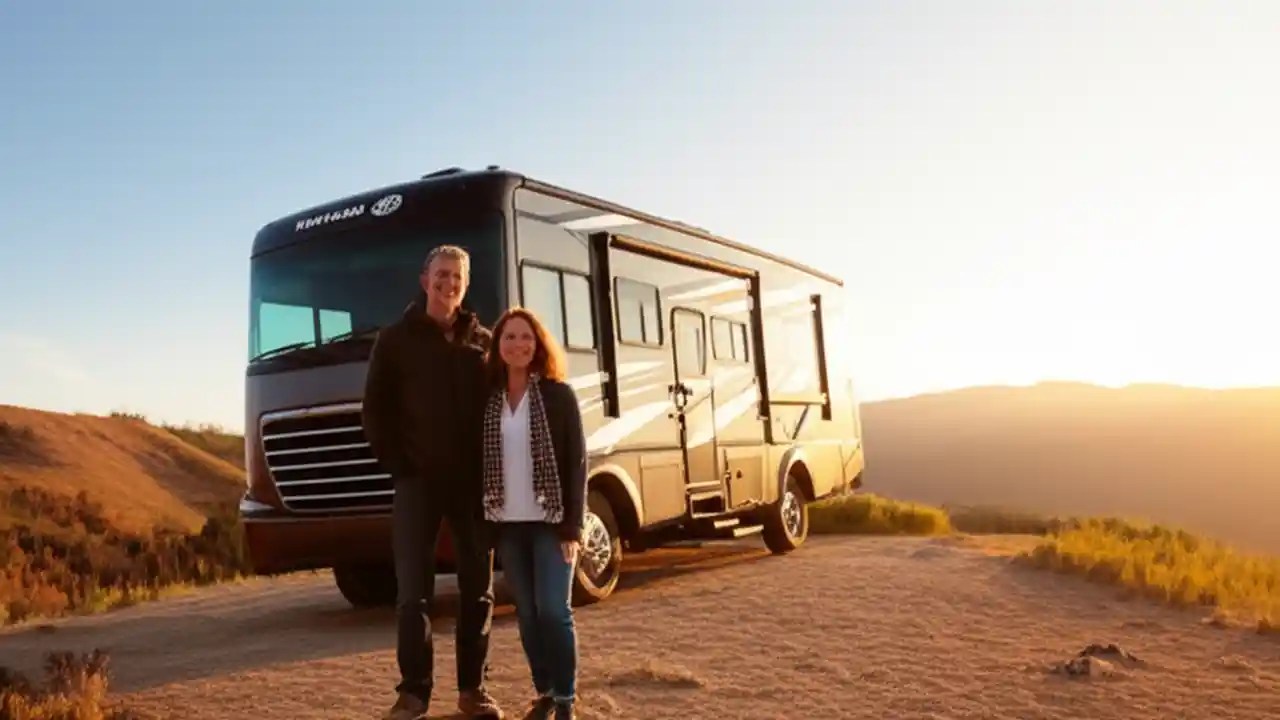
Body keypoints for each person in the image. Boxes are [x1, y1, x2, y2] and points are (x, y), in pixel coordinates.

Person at [362, 245, 505, 720]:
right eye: (441, 275)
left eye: (457, 277)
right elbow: (375, 413)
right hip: (417, 483)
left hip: (473, 487)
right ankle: (414, 694)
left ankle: (473, 692)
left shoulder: (483, 343)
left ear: (466, 284)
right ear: (425, 279)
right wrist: (401, 465)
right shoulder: (395, 340)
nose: (449, 283)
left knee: (477, 590)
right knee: (412, 594)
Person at [480, 307, 587, 720]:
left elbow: (576, 462)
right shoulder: (489, 400)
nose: (518, 344)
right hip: (508, 524)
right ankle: (543, 691)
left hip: (550, 522)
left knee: (554, 610)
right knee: (526, 614)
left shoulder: (559, 396)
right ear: (498, 346)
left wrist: (572, 526)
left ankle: (565, 699)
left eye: (526, 337)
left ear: (538, 344)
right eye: (509, 337)